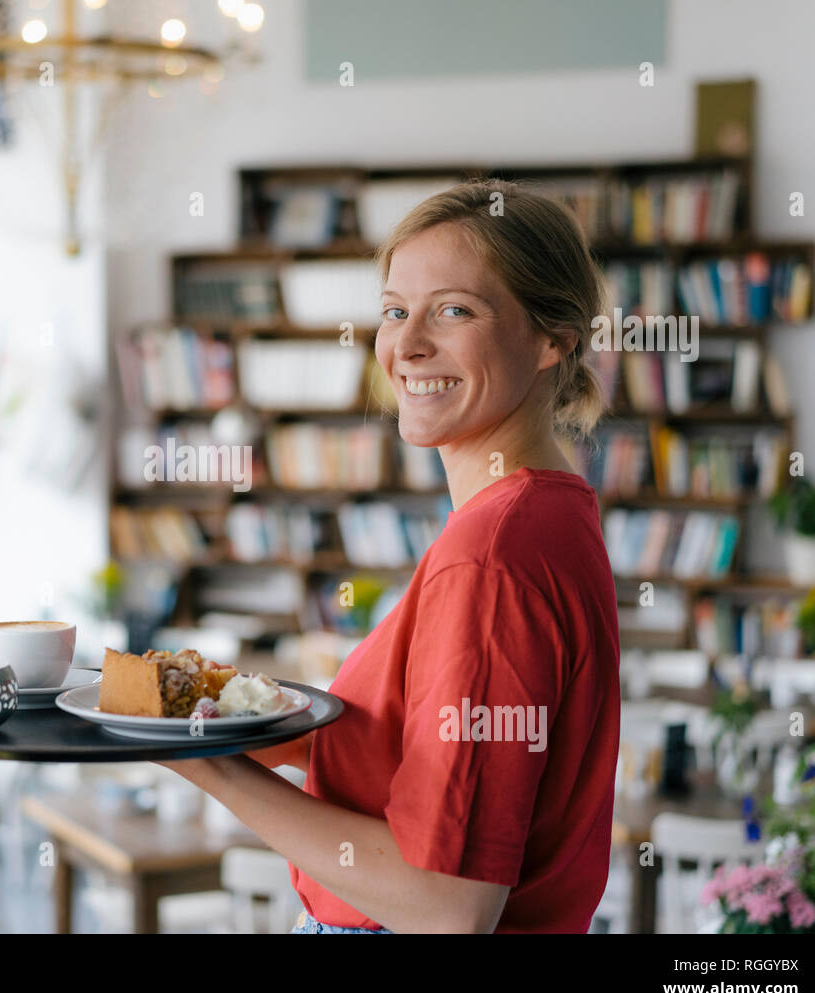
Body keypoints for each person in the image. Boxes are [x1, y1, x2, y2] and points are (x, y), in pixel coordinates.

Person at [157, 180, 621, 933]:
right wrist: (230, 708)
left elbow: (448, 901)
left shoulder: (493, 554)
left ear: (553, 339)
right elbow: (418, 748)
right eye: (395, 311)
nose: (405, 346)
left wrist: (204, 763)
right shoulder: (548, 513)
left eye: (453, 310)